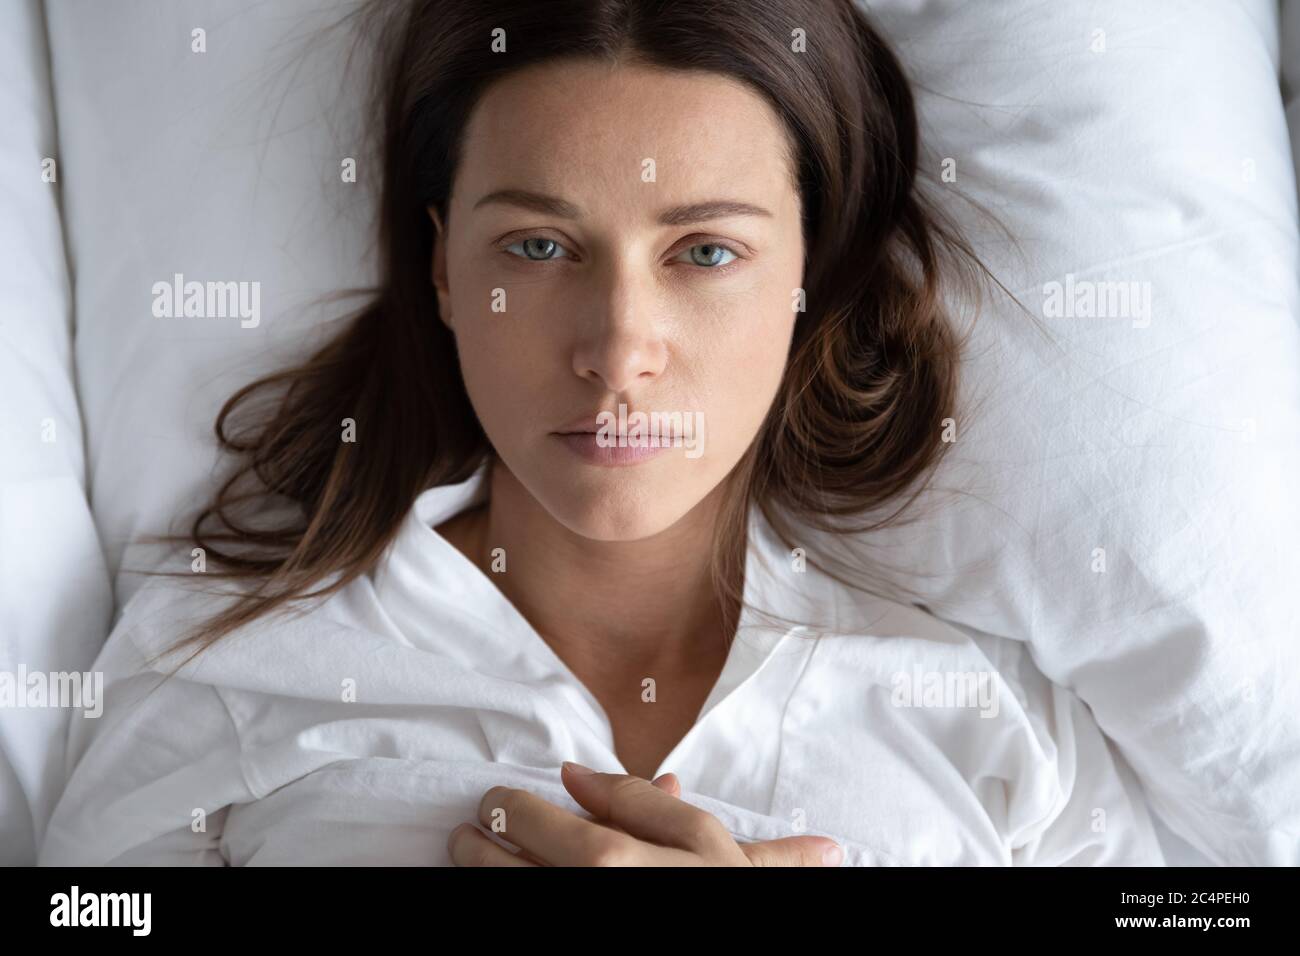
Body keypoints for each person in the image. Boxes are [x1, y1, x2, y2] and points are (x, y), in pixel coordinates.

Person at [39, 0, 1163, 866]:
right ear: (441, 267)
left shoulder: (990, 715)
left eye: (706, 252)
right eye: (536, 247)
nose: (618, 349)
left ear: (806, 276)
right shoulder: (228, 662)